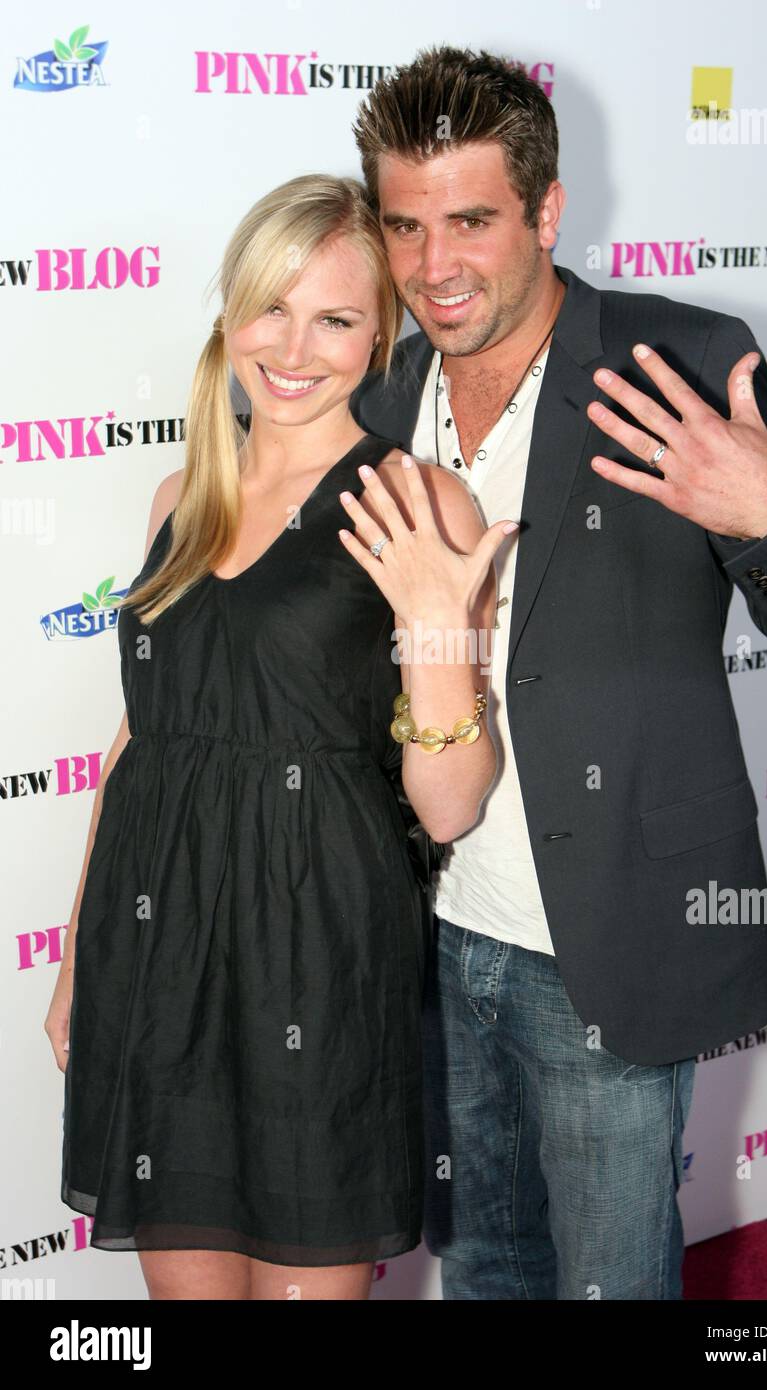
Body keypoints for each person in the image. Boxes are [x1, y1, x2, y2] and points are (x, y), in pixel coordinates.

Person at [350, 47, 767, 1300]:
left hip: (611, 939)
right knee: (480, 1269)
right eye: (405, 226)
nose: (433, 267)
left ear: (545, 211)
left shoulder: (677, 362)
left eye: (471, 221)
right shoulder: (376, 380)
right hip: (424, 933)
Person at [46, 172, 512, 1300]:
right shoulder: (177, 498)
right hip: (158, 944)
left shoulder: (414, 501)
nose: (294, 346)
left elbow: (448, 803)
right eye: (271, 307)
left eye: (337, 317)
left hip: (317, 950)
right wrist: (77, 960)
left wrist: (439, 619)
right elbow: (136, 746)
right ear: (230, 313)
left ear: (380, 335)